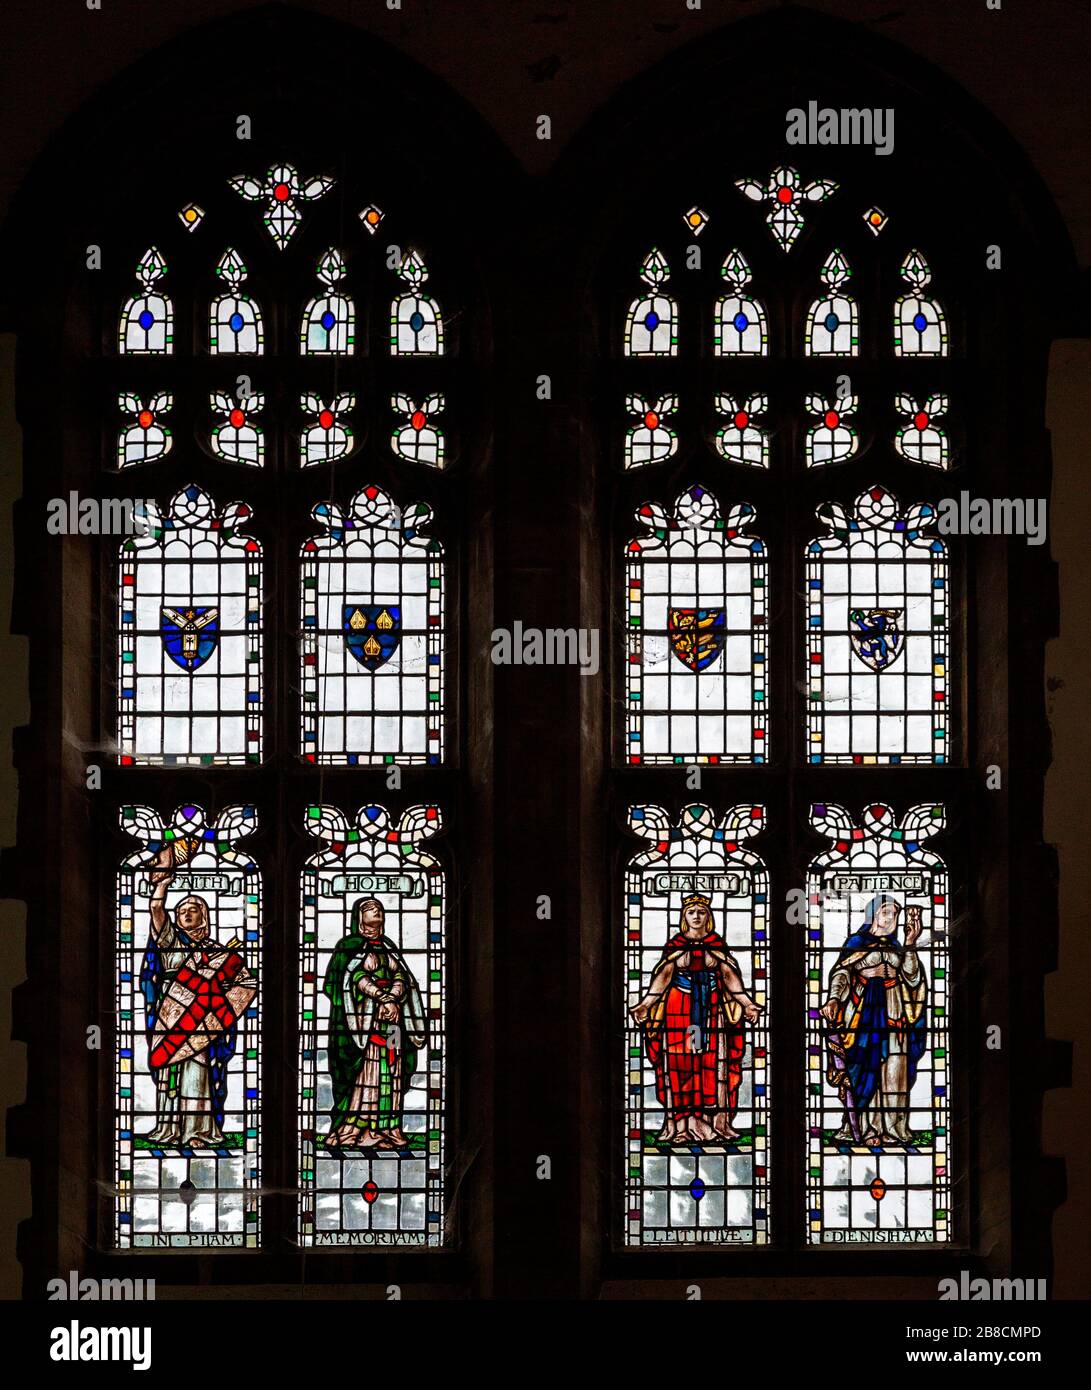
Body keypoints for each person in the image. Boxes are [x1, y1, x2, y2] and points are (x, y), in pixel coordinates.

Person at [141, 844, 256, 1148]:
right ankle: (170, 1129)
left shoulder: (222, 954)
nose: (186, 914)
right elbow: (156, 909)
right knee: (171, 1076)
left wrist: (219, 1007)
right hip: (173, 1023)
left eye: (193, 909)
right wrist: (163, 881)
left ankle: (199, 1132)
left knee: (197, 1077)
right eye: (181, 911)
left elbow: (245, 986)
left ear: (204, 915)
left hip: (204, 1027)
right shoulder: (170, 943)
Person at [630, 894, 762, 1144]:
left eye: (701, 912)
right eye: (692, 912)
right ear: (684, 917)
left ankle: (714, 1124)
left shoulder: (716, 944)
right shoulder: (675, 945)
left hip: (711, 1011)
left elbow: (729, 977)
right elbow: (664, 976)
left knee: (711, 1066)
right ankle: (681, 1127)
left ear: (708, 917)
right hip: (679, 1011)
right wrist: (646, 1004)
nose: (697, 916)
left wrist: (747, 1004)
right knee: (682, 1067)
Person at [821, 894, 927, 1145]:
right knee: (862, 1070)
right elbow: (842, 974)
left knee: (895, 1073)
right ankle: (863, 1128)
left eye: (895, 914)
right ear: (873, 916)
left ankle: (892, 1129)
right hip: (862, 1021)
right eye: (886, 913)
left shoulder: (896, 948)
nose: (891, 919)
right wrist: (835, 998)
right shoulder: (856, 943)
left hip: (894, 1016)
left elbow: (912, 979)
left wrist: (910, 942)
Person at [322, 898, 427, 1150]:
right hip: (365, 1024)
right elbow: (351, 977)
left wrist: (393, 996)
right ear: (359, 917)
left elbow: (402, 975)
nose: (376, 911)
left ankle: (387, 1127)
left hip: (391, 1024)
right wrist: (381, 997)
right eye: (370, 909)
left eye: (379, 908)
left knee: (391, 1071)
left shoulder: (387, 947)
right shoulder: (349, 947)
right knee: (368, 1073)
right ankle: (358, 1128)